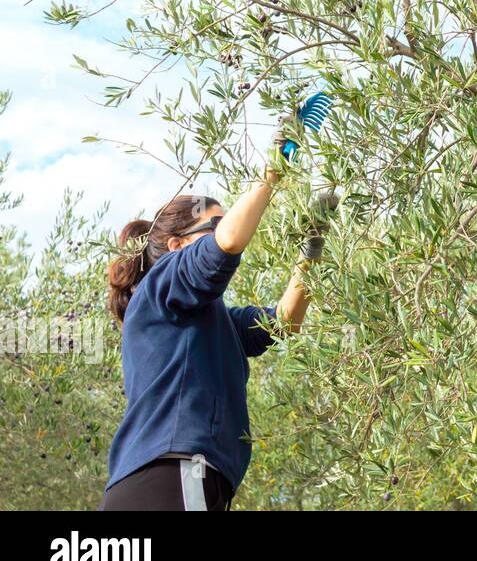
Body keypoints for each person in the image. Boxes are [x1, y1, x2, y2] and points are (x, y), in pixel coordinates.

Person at [99, 154, 336, 511]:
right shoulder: (161, 284)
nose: (225, 229)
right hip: (175, 471)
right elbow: (227, 243)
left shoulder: (215, 320)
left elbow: (285, 322)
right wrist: (272, 171)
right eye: (214, 224)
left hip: (173, 479)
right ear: (176, 245)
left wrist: (311, 249)